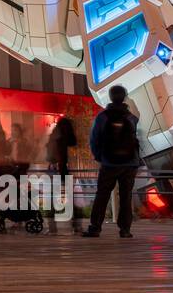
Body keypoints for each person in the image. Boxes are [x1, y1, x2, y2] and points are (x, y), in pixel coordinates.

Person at [83, 84, 141, 239]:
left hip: (109, 163)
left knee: (102, 195)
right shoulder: (131, 118)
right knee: (126, 197)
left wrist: (100, 157)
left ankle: (95, 228)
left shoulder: (102, 117)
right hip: (129, 163)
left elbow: (94, 139)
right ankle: (125, 230)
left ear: (110, 97)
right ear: (124, 97)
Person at [45, 116, 78, 230]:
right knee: (69, 196)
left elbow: (48, 154)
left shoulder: (53, 135)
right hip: (61, 168)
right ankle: (75, 224)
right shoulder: (62, 136)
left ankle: (52, 226)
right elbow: (73, 142)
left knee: (52, 197)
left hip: (52, 169)